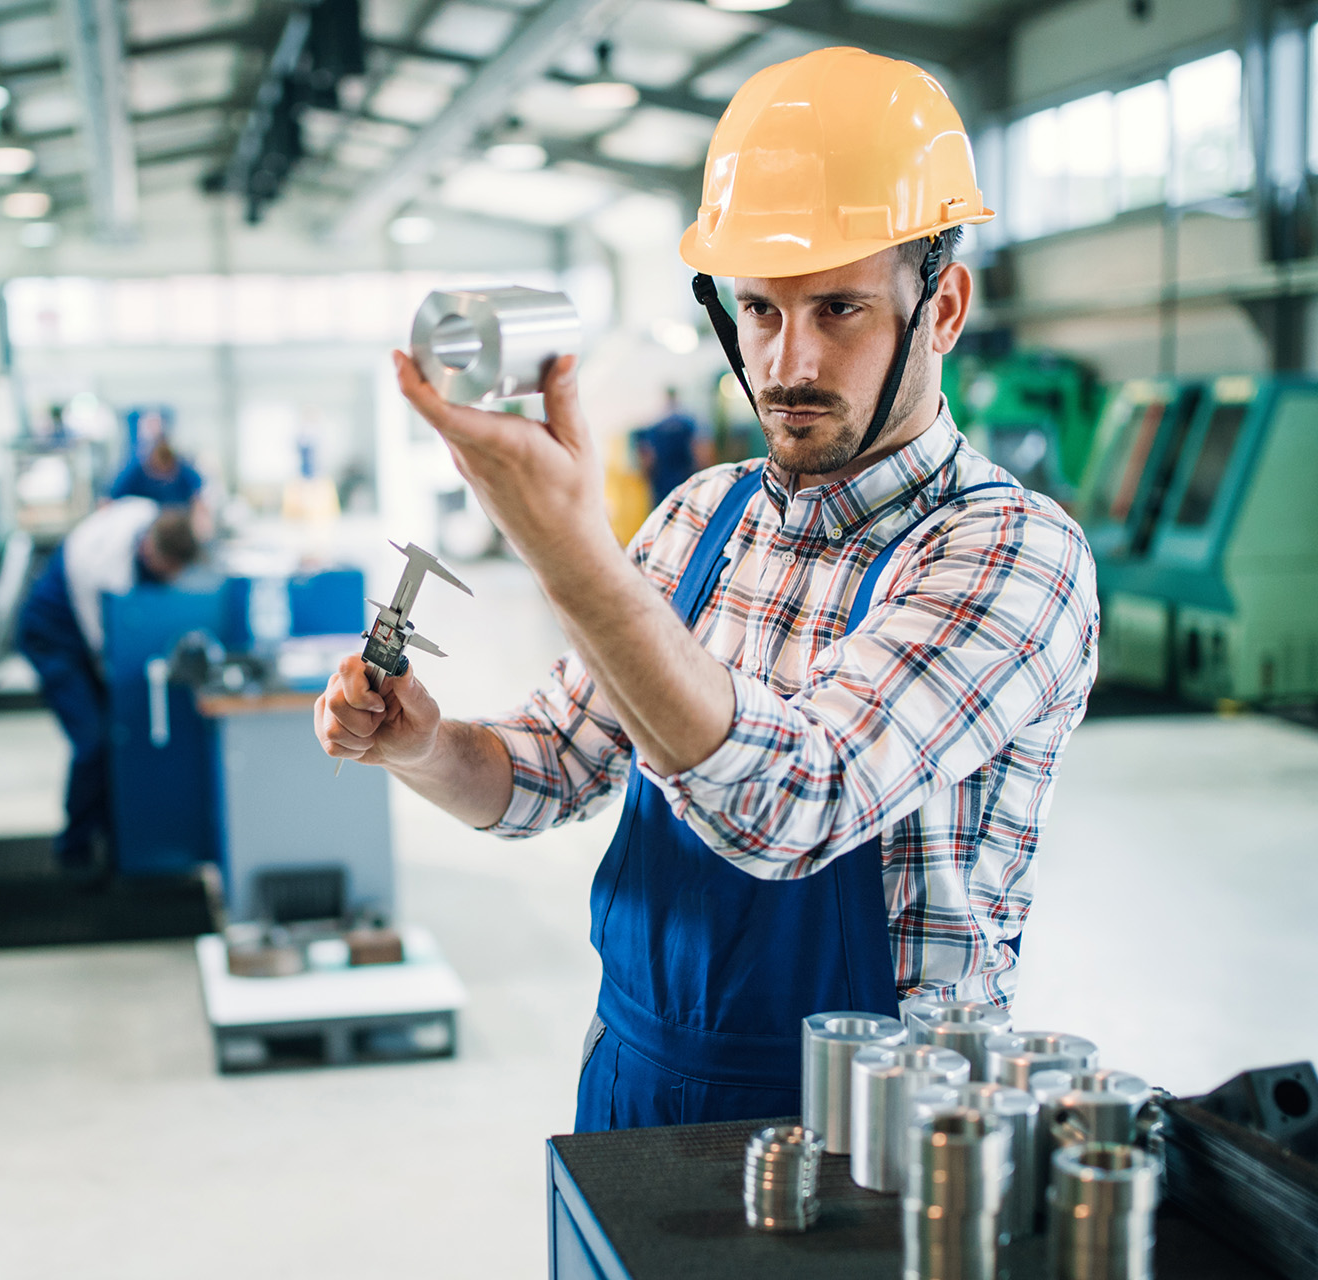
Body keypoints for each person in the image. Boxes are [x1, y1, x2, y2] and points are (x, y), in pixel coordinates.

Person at [315, 47, 1099, 1132]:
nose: (787, 363)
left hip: (869, 1136)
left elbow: (801, 802)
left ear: (945, 306)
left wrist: (570, 551)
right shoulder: (699, 518)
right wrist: (420, 742)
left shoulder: (1011, 554)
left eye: (839, 309)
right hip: (636, 1083)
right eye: (760, 311)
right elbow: (546, 769)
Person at [16, 499, 199, 880]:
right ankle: (75, 848)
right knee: (94, 740)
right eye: (168, 571)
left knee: (116, 738)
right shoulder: (106, 570)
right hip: (54, 637)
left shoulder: (147, 513)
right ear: (150, 551)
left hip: (89, 637)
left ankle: (117, 839)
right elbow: (104, 649)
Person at [630, 389, 710, 505]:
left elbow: (648, 459)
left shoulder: (655, 426)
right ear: (677, 398)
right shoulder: (689, 423)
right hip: (686, 481)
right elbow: (700, 452)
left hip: (662, 484)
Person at [110, 413, 203, 508]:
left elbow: (199, 494)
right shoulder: (135, 472)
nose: (163, 470)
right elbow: (112, 497)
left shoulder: (185, 471)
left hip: (179, 516)